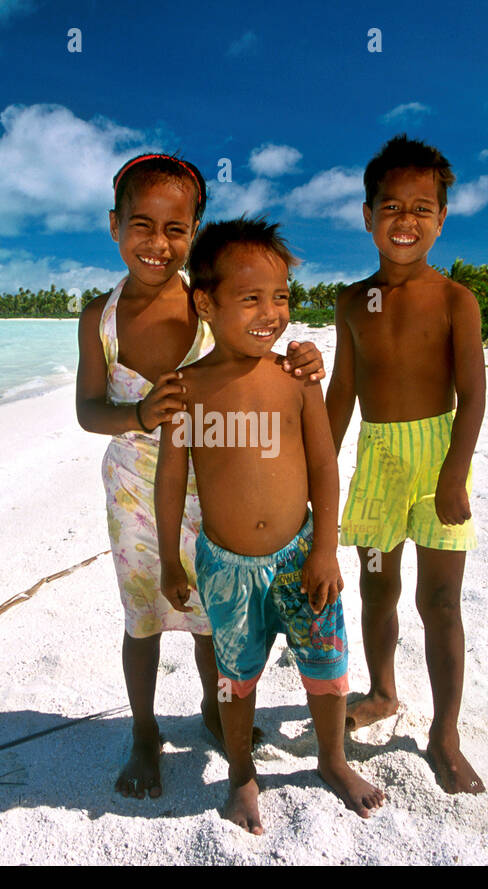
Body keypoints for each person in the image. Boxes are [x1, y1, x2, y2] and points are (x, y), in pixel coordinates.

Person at [74, 155, 325, 800]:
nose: (158, 243)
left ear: (193, 232)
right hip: (134, 492)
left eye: (176, 229)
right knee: (146, 617)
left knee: (215, 620)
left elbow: (252, 345)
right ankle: (143, 732)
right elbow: (86, 409)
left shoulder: (205, 301)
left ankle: (217, 714)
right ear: (113, 226)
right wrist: (136, 412)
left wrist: (299, 358)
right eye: (142, 225)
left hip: (212, 490)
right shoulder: (98, 318)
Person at [156, 217, 385, 834]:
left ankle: (333, 760)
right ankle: (240, 775)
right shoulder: (186, 389)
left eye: (281, 296)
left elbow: (323, 467)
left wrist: (327, 551)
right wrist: (171, 563)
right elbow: (172, 482)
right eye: (251, 297)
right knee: (236, 679)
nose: (271, 311)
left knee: (327, 665)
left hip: (300, 553)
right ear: (206, 303)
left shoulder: (296, 379)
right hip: (225, 566)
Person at [324, 135, 488, 794]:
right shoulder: (350, 301)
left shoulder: (455, 299)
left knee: (440, 599)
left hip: (441, 455)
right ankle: (382, 690)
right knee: (375, 586)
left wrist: (455, 472)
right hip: (378, 460)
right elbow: (341, 393)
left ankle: (444, 732)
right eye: (391, 206)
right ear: (367, 215)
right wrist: (317, 475)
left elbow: (474, 393)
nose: (406, 221)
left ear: (441, 221)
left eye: (422, 209)